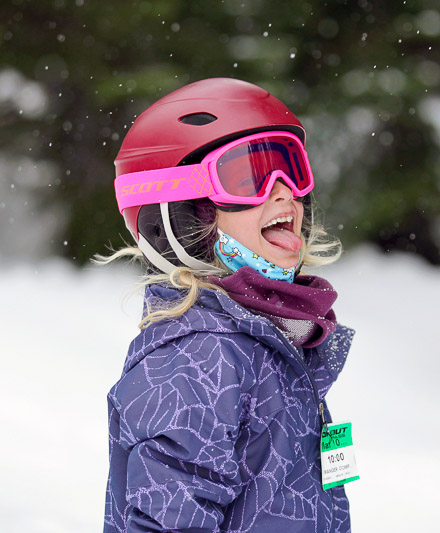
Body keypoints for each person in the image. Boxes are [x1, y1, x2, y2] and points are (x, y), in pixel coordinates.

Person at [101, 78, 355, 533]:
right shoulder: (198, 358)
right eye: (250, 176)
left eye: (290, 170)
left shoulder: (273, 339)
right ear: (185, 214)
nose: (284, 192)